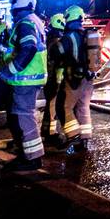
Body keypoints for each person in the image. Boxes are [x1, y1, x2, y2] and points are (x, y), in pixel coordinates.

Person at [1, 0, 47, 170]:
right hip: (30, 79)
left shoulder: (25, 23)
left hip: (25, 79)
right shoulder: (34, 21)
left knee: (24, 117)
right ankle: (27, 155)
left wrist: (9, 71)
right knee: (23, 116)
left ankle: (32, 158)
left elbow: (29, 48)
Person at [57, 5, 94, 154]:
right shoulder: (86, 34)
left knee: (63, 106)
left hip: (74, 78)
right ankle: (84, 140)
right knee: (83, 107)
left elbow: (58, 52)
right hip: (88, 79)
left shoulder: (69, 36)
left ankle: (73, 135)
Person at [41, 12, 68, 147]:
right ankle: (51, 134)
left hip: (48, 77)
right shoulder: (57, 41)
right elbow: (59, 62)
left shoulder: (49, 38)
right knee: (53, 106)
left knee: (49, 106)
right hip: (55, 79)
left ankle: (46, 130)